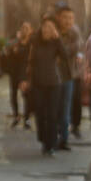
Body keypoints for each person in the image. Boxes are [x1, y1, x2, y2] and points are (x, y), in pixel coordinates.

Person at [22, 15, 70, 156]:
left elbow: (65, 56)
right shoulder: (34, 41)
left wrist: (58, 39)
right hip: (38, 83)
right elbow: (27, 61)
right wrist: (24, 79)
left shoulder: (56, 42)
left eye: (50, 27)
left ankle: (51, 145)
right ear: (41, 28)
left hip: (54, 83)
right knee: (40, 113)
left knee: (52, 114)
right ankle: (44, 139)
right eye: (45, 26)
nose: (47, 29)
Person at [54, 3, 83, 149]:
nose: (68, 21)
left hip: (69, 77)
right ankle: (53, 138)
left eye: (71, 18)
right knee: (54, 109)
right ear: (58, 18)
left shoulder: (74, 33)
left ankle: (64, 139)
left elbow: (74, 48)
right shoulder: (53, 32)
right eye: (65, 17)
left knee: (65, 110)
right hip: (53, 78)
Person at [4, 21, 33, 128]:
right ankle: (16, 116)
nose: (25, 30)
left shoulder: (32, 44)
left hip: (26, 73)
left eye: (27, 28)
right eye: (23, 28)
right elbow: (6, 52)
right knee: (13, 95)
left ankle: (27, 118)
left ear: (31, 30)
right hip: (14, 72)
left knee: (27, 96)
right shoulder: (15, 43)